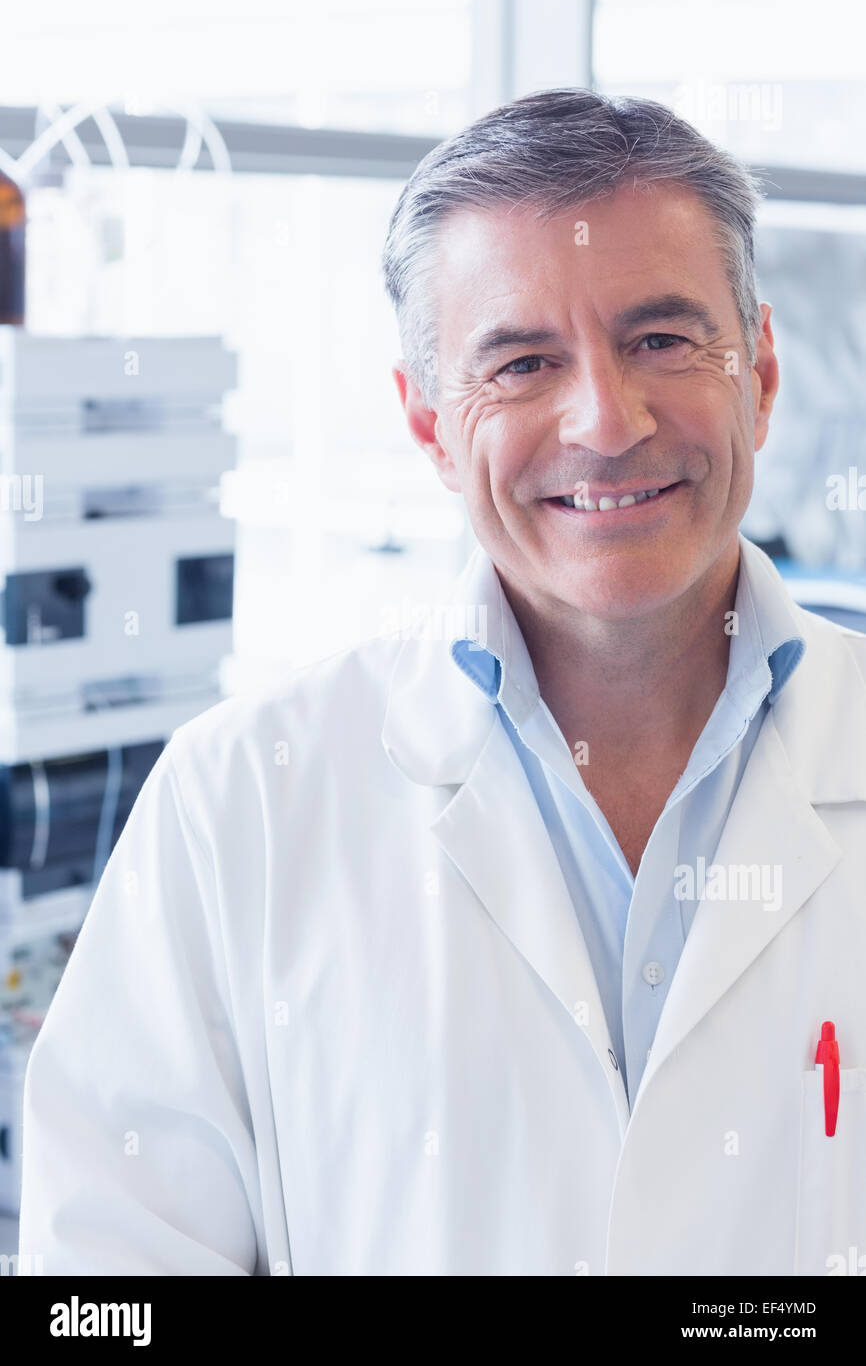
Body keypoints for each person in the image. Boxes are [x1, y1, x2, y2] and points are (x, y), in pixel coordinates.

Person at [18, 89, 866, 1276]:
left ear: (760, 371)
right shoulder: (239, 805)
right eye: (521, 362)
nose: (604, 420)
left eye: (661, 340)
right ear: (424, 419)